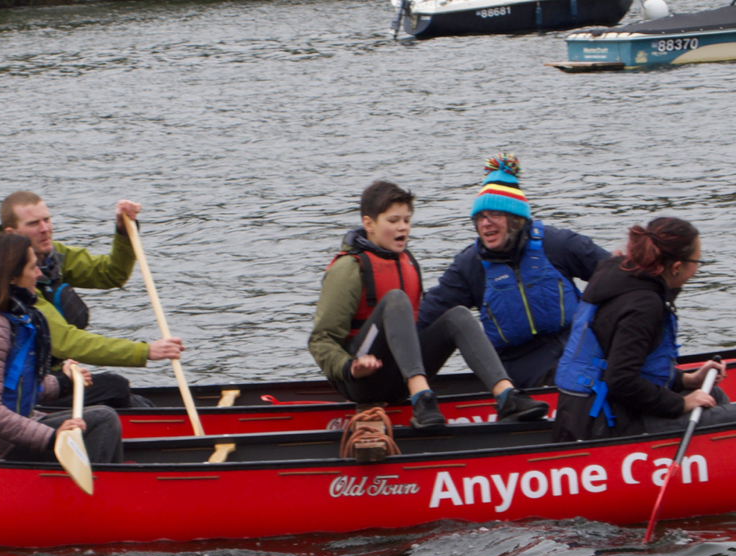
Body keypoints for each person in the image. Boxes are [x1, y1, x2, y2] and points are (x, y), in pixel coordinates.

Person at [308, 180, 550, 426]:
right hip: (361, 381)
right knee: (396, 299)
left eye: (406, 220)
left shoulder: (408, 261)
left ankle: (507, 396)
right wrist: (350, 366)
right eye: (393, 221)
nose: (403, 227)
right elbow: (321, 340)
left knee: (458, 315)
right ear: (369, 224)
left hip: (398, 381)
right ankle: (422, 399)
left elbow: (412, 329)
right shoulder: (348, 268)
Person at [417, 153, 610, 388]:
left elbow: (616, 274)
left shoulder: (557, 244)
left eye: (495, 214)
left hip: (576, 346)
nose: (485, 223)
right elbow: (427, 317)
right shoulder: (469, 266)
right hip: (520, 366)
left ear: (516, 219)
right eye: (479, 217)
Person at [0, 232, 123, 463]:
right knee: (102, 421)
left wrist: (64, 382)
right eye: (32, 267)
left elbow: (15, 386)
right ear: (12, 277)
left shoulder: (1, 314)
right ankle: (100, 484)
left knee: (108, 397)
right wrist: (52, 438)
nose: (39, 274)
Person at [553, 216, 730, 441]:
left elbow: (620, 359)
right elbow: (621, 380)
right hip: (604, 422)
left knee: (711, 393)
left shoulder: (622, 276)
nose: (696, 269)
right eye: (697, 261)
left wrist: (687, 380)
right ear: (676, 267)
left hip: (586, 411)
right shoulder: (644, 305)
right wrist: (680, 403)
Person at [0, 191, 183, 408]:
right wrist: (146, 351)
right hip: (19, 388)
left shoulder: (50, 255)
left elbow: (111, 274)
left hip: (53, 373)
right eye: (33, 224)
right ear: (11, 232)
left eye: (46, 219)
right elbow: (65, 342)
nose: (45, 228)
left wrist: (124, 233)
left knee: (131, 399)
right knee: (115, 386)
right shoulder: (7, 275)